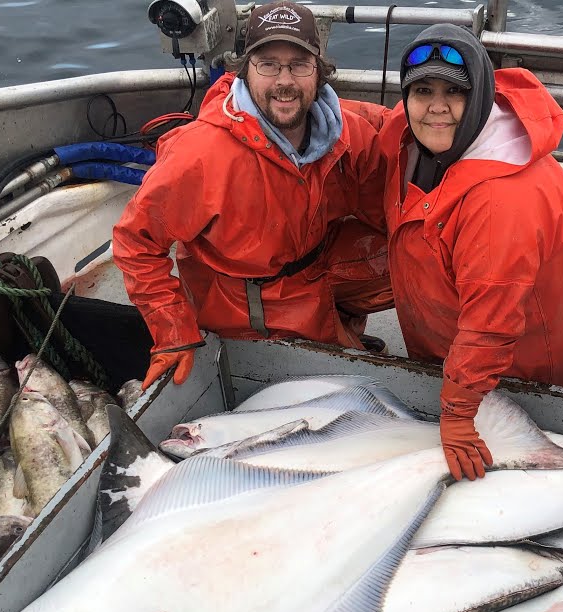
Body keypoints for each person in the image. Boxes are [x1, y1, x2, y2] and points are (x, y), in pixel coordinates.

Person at [369, 24, 563, 481]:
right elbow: (376, 123)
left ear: (479, 98)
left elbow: (490, 325)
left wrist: (459, 415)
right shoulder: (414, 139)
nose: (437, 107)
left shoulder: (501, 203)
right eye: (422, 90)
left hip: (521, 371)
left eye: (454, 93)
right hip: (450, 340)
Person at [112, 0, 392, 390]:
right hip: (243, 300)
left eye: (299, 64)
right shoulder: (200, 156)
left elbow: (404, 132)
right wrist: (172, 330)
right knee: (348, 387)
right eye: (269, 64)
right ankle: (327, 338)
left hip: (316, 264)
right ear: (245, 71)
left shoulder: (347, 130)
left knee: (421, 255)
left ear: (319, 73)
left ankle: (341, 319)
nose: (284, 81)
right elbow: (135, 241)